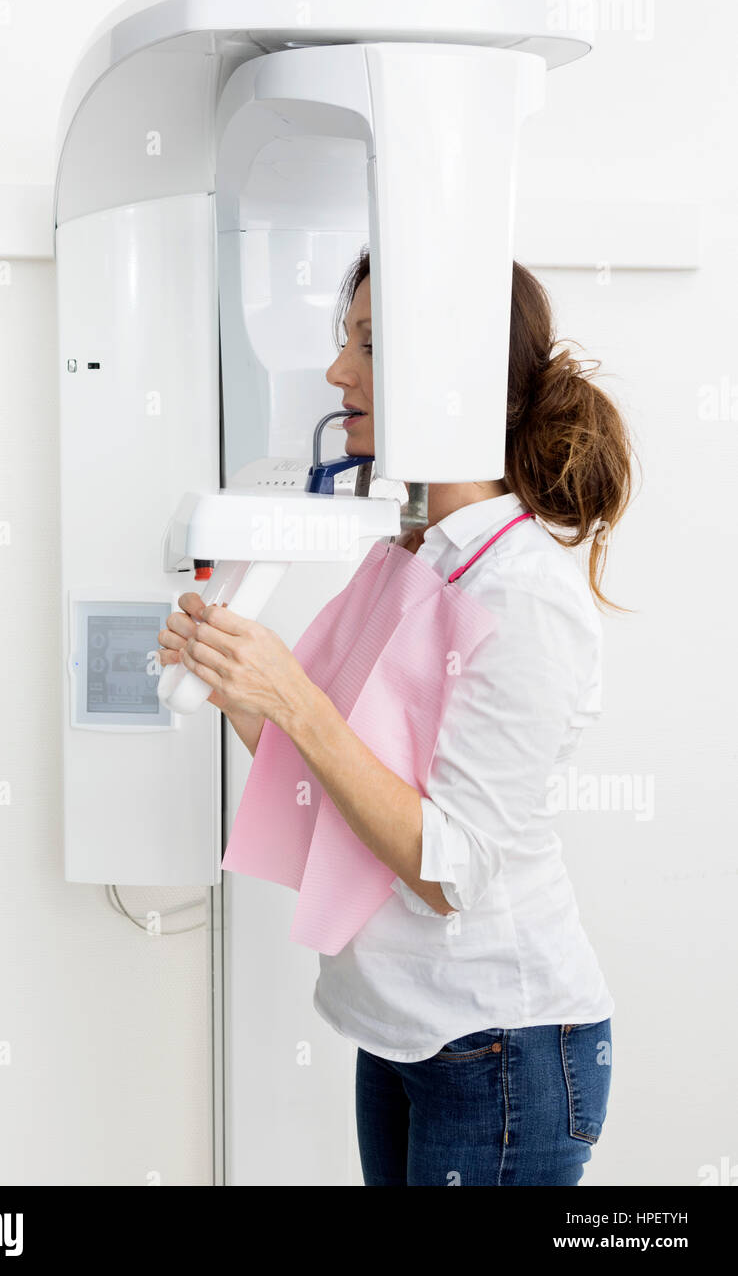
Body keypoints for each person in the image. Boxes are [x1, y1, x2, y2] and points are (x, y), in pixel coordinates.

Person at [156, 250, 636, 1186]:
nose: (339, 374)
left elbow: (448, 874)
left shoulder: (525, 596)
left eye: (369, 346)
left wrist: (290, 693)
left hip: (502, 1045)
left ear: (458, 379)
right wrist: (239, 687)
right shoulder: (411, 555)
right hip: (407, 1031)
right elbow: (344, 788)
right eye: (348, 342)